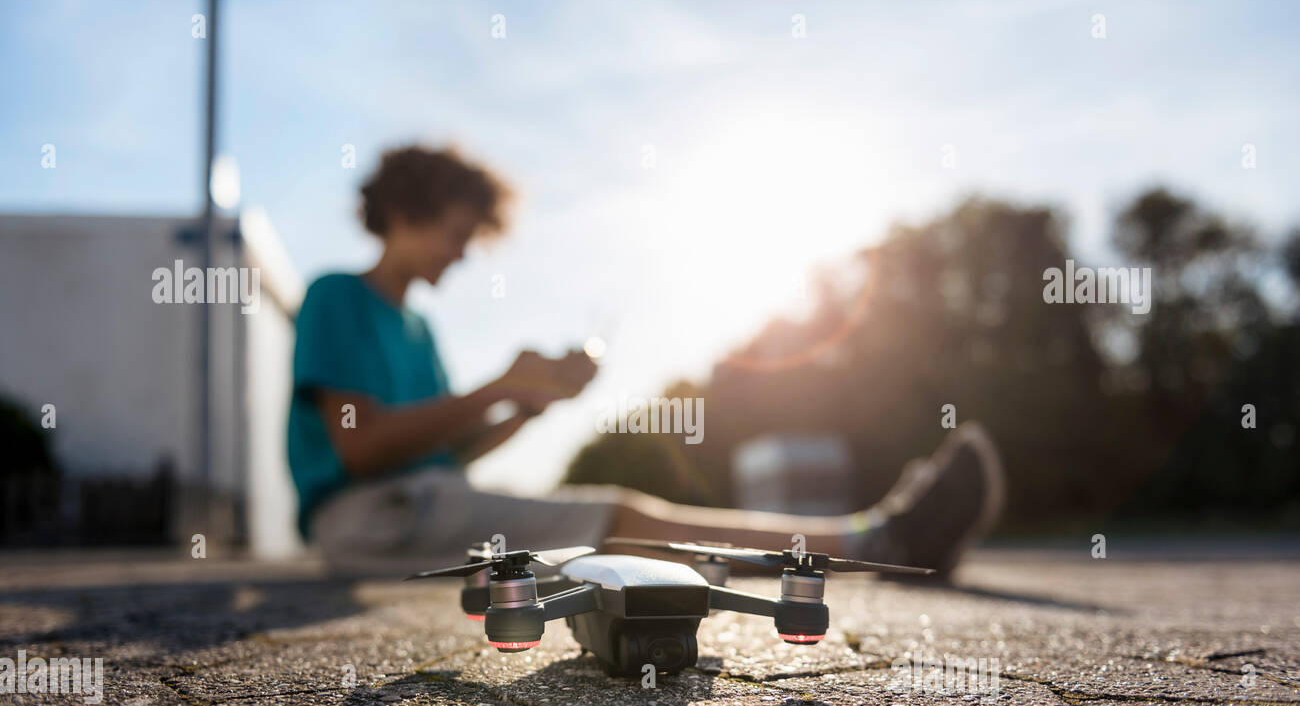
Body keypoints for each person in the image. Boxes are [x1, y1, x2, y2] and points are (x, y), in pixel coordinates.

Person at [289, 144, 1005, 577]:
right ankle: (880, 538)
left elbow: (447, 454)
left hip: (416, 501)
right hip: (365, 519)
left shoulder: (419, 327)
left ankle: (870, 537)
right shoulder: (336, 297)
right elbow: (362, 446)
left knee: (623, 523)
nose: (462, 253)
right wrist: (496, 386)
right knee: (624, 522)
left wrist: (527, 407)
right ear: (405, 212)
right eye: (455, 234)